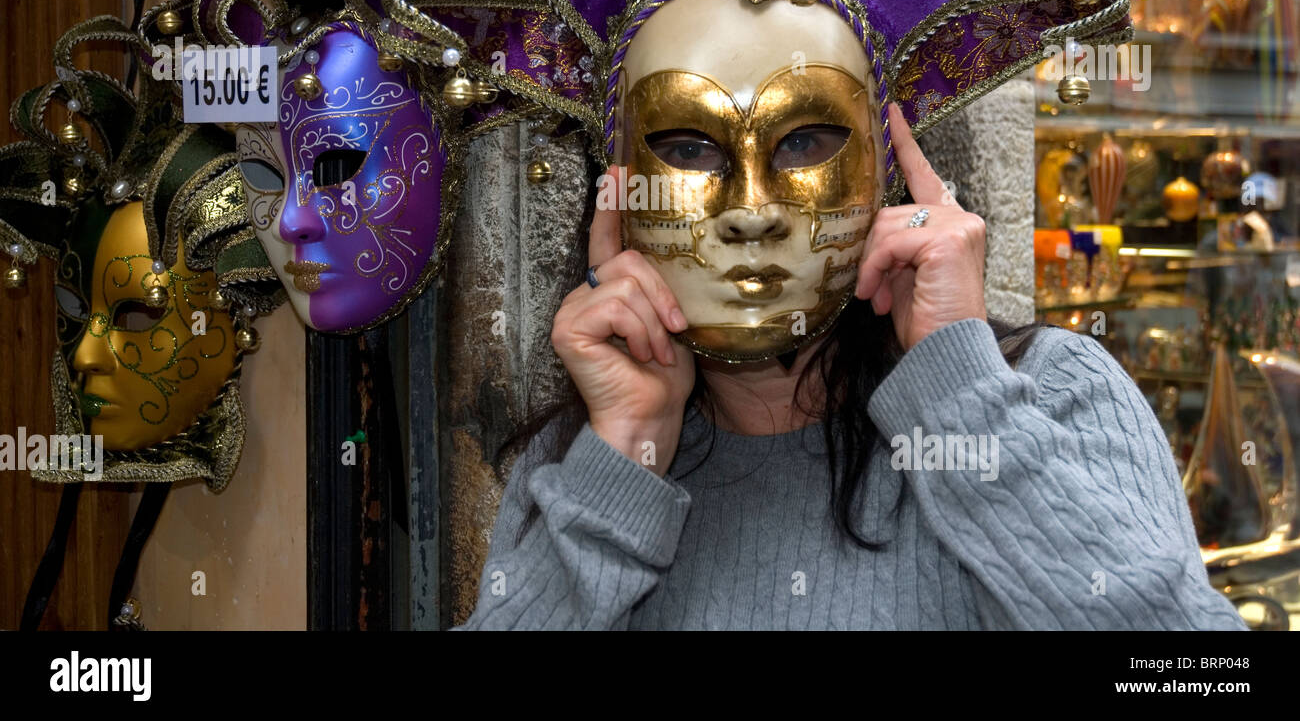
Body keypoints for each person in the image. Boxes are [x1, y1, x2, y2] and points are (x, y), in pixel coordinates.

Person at [456, 101, 1246, 631]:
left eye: (805, 140)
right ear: (618, 192)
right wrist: (627, 453)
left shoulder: (1056, 394)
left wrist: (963, 399)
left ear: (886, 166)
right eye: (688, 148)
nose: (753, 209)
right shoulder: (581, 463)